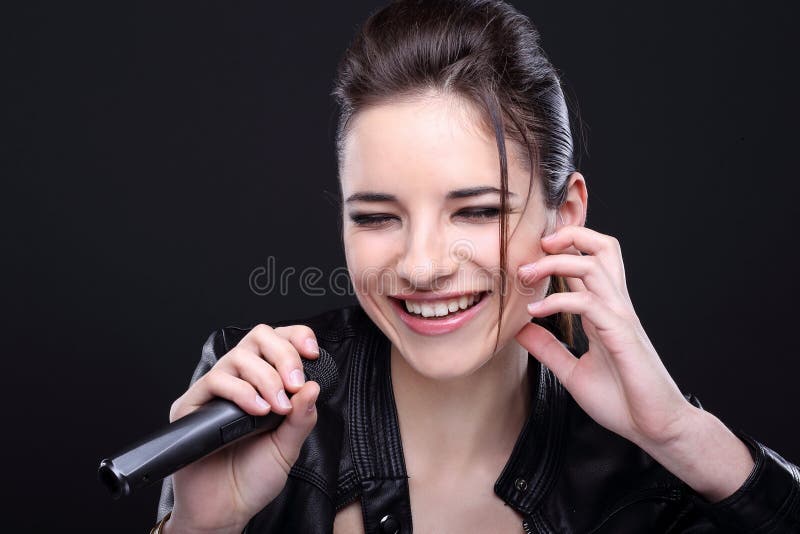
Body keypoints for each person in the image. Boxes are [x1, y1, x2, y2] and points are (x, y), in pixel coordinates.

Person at [154, 1, 800, 532]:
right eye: (376, 217)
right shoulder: (249, 400)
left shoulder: (652, 471)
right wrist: (200, 528)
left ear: (565, 215)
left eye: (478, 211)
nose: (422, 266)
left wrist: (683, 437)